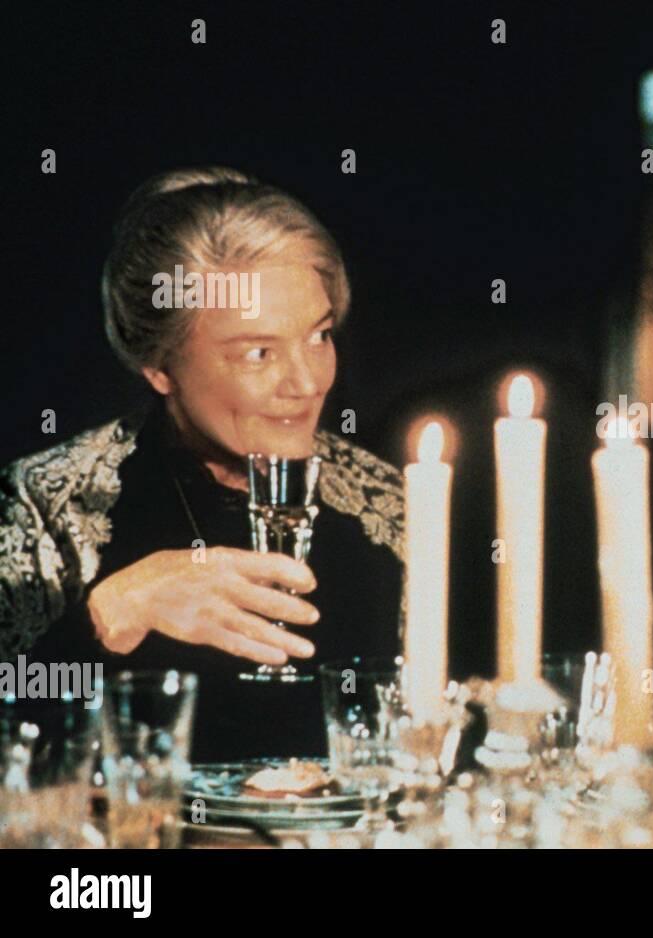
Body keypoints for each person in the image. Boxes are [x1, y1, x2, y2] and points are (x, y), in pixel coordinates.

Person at [1, 167, 404, 762]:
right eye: (258, 353)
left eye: (318, 337)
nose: (307, 382)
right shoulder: (47, 505)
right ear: (159, 368)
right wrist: (108, 618)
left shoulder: (388, 505)